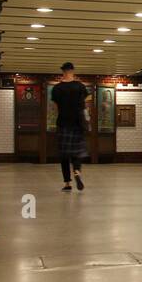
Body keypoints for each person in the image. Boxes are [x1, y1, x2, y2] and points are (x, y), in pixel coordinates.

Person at [51, 62, 90, 191]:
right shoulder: (80, 86)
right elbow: (85, 105)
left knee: (64, 155)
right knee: (77, 153)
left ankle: (67, 183)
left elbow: (55, 108)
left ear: (63, 72)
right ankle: (77, 171)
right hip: (78, 124)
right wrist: (86, 120)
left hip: (63, 124)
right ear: (73, 71)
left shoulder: (57, 89)